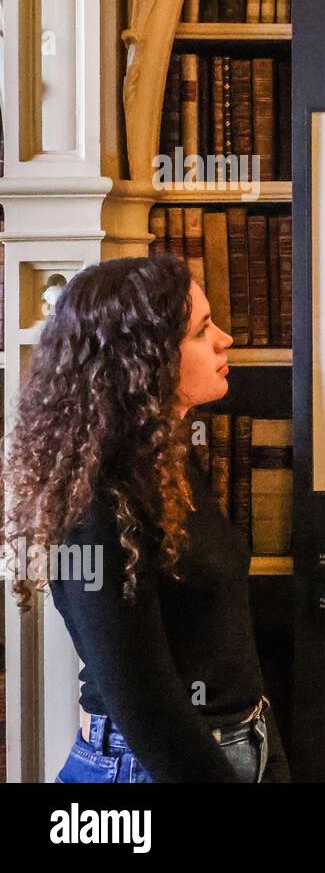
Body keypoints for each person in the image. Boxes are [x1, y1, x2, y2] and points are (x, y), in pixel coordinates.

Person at [3, 254, 290, 782]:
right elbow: (146, 712)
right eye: (203, 331)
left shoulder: (166, 458)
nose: (225, 339)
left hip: (238, 743)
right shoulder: (94, 508)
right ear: (147, 358)